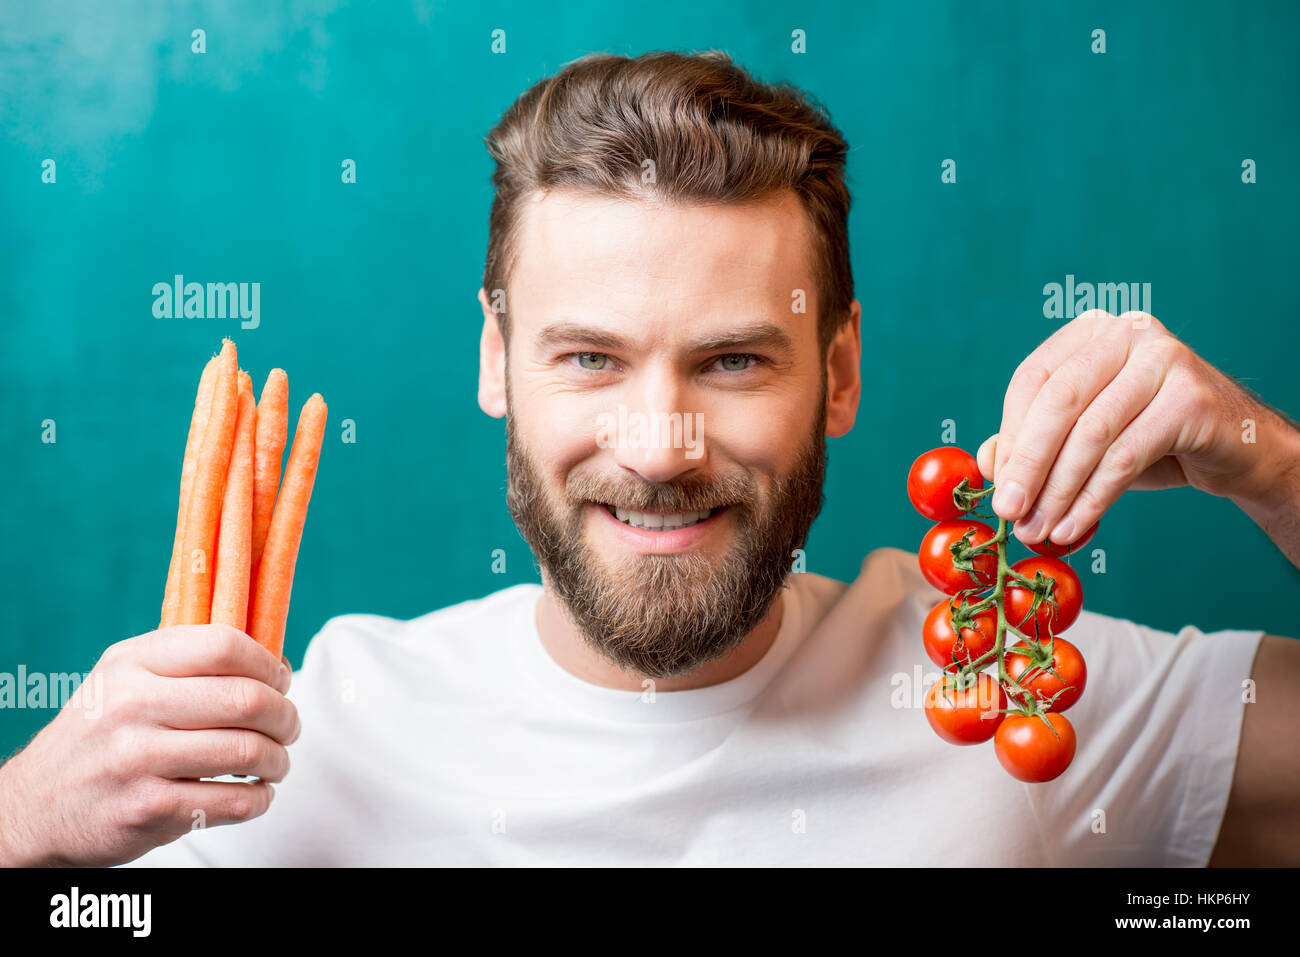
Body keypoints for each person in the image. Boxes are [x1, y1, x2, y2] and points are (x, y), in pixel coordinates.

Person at [2, 50, 1298, 867]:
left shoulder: (1013, 684)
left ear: (838, 371)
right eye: (590, 358)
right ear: (495, 360)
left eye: (732, 359)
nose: (661, 444)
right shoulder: (299, 735)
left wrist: (1268, 460)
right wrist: (26, 827)